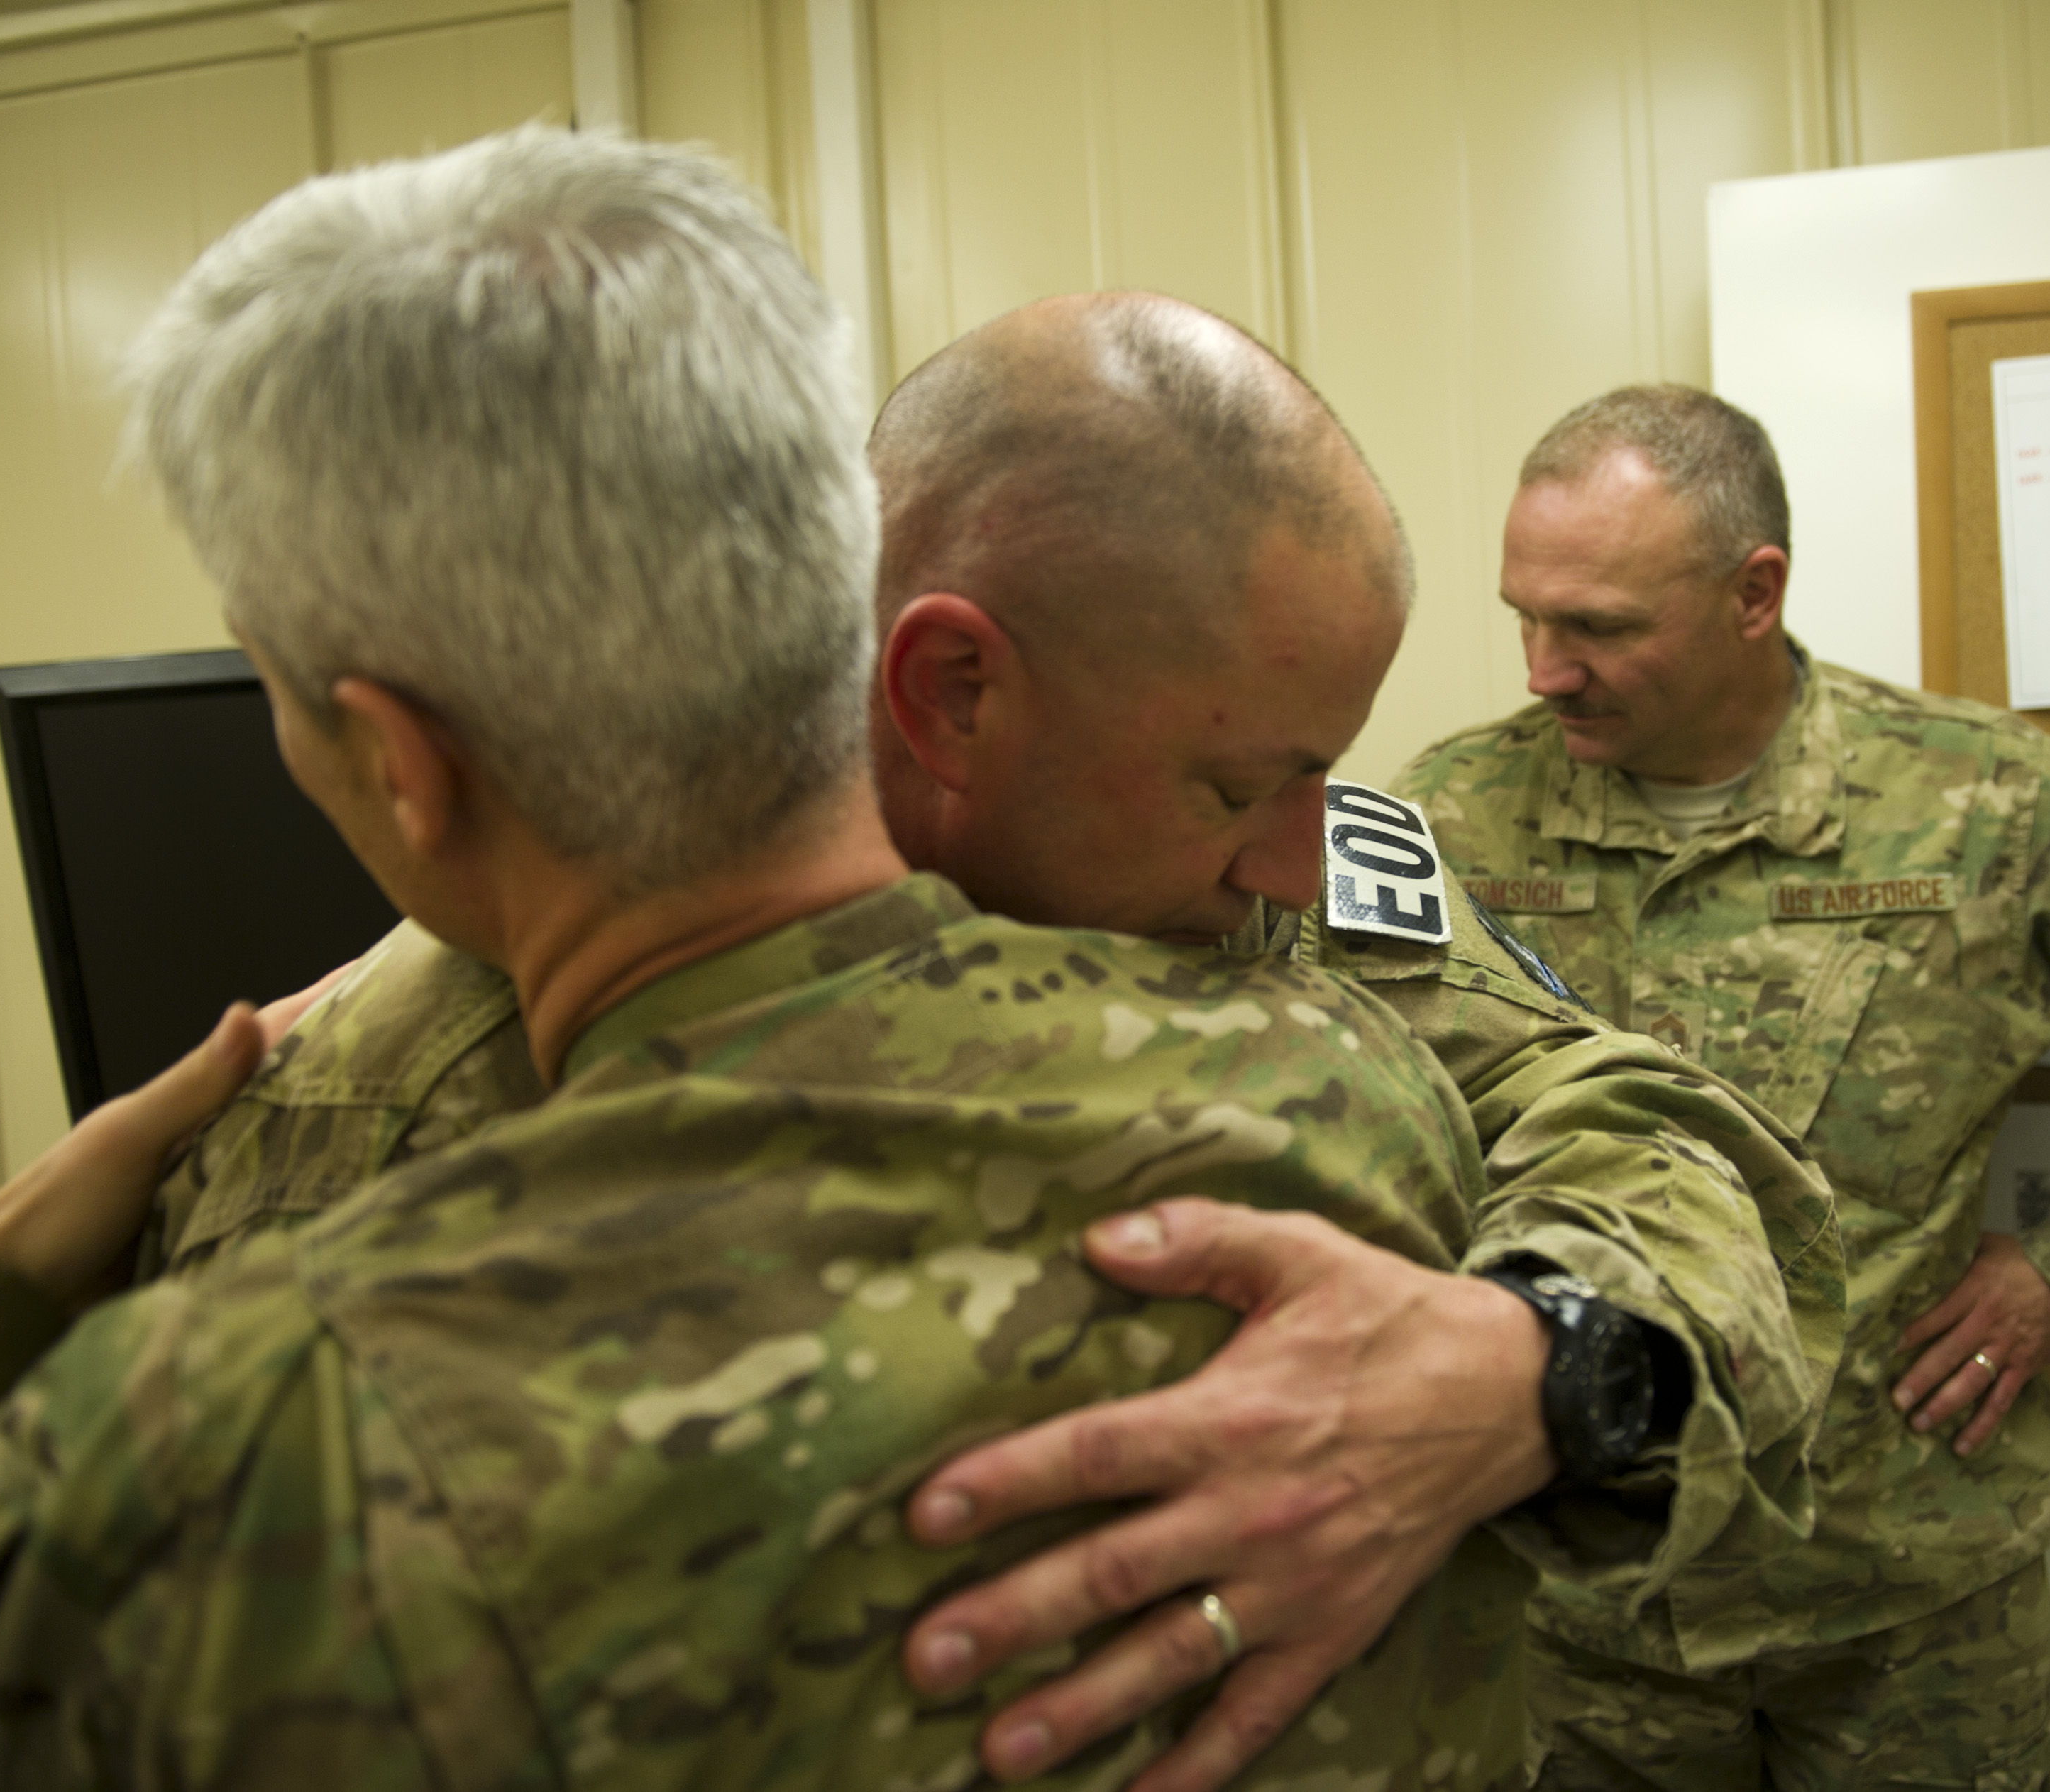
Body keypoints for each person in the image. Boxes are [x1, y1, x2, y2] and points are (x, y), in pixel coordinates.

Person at [0, 126, 1551, 1791]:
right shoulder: (1341, 1087)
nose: (1279, 841)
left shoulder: (220, 1441)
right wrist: (1541, 1353)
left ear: (399, 762)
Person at [140, 297, 1839, 1791]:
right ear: (954, 691)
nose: (1297, 851)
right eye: (1237, 785)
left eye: (1320, 768)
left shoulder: (1292, 883)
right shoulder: (471, 1040)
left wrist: (1530, 1355)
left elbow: (1644, 1121)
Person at [1395, 383, 2050, 1789]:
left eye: (1598, 626)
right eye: (1524, 616)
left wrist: (2039, 1245)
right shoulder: (1445, 818)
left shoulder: (1991, 803)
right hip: (1589, 1598)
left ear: (1754, 593)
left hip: (1912, 1584)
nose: (1544, 669)